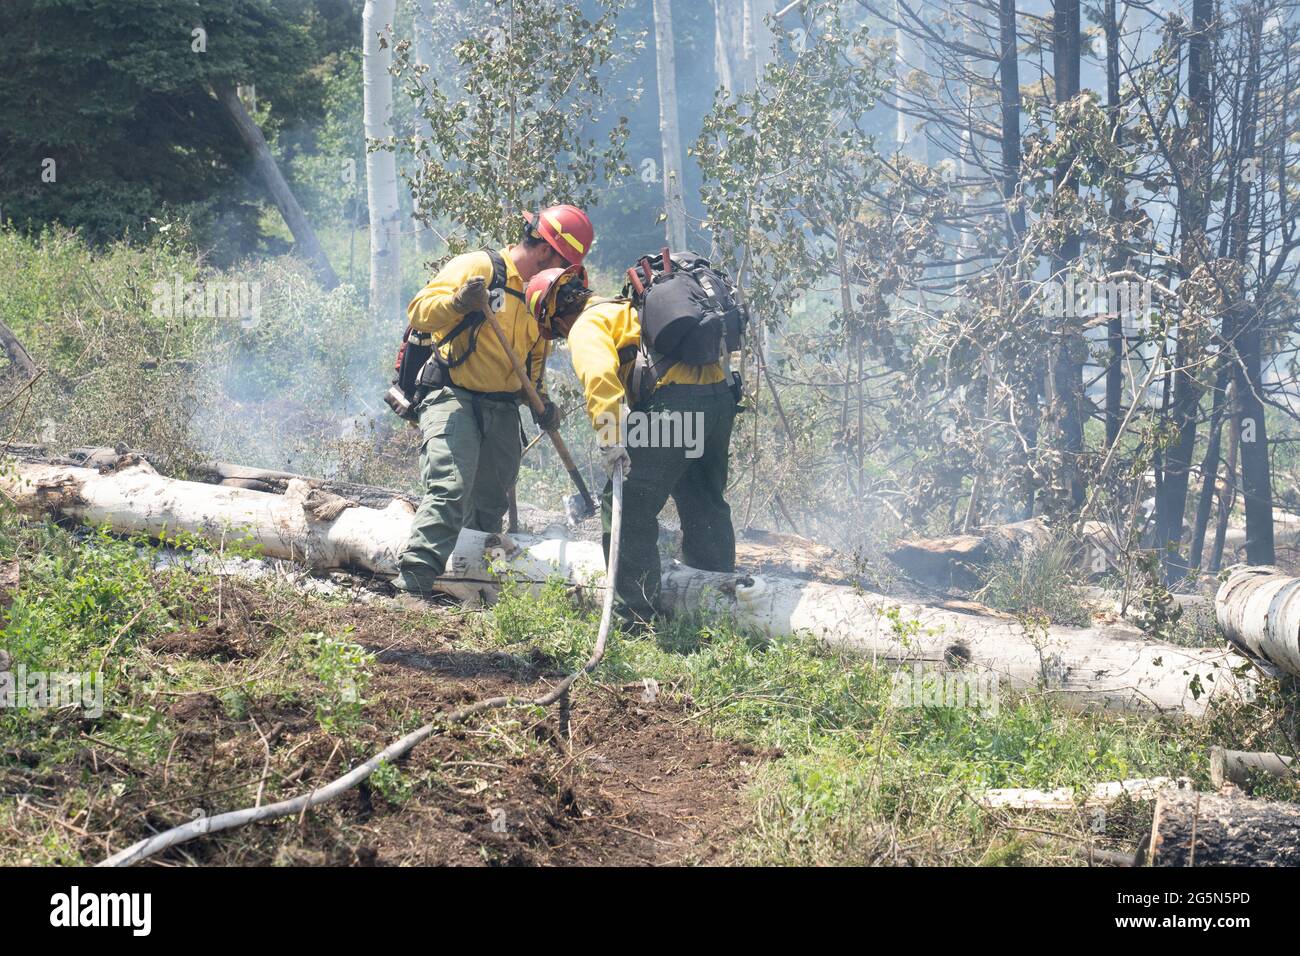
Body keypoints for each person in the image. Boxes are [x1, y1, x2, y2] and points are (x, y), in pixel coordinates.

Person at [392, 205, 594, 602]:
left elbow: (533, 361)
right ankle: (413, 585)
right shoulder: (480, 267)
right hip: (454, 395)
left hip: (502, 408)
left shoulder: (544, 293)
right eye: (565, 265)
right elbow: (418, 311)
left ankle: (466, 588)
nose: (565, 277)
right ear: (546, 252)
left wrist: (541, 402)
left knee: (489, 504)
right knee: (450, 486)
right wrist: (458, 302)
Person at [523, 266, 737, 629]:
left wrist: (610, 440)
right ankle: (717, 602)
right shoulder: (627, 308)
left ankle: (633, 615)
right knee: (704, 500)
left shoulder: (588, 325)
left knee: (627, 506)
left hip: (677, 408)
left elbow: (600, 381)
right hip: (719, 399)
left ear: (556, 319)